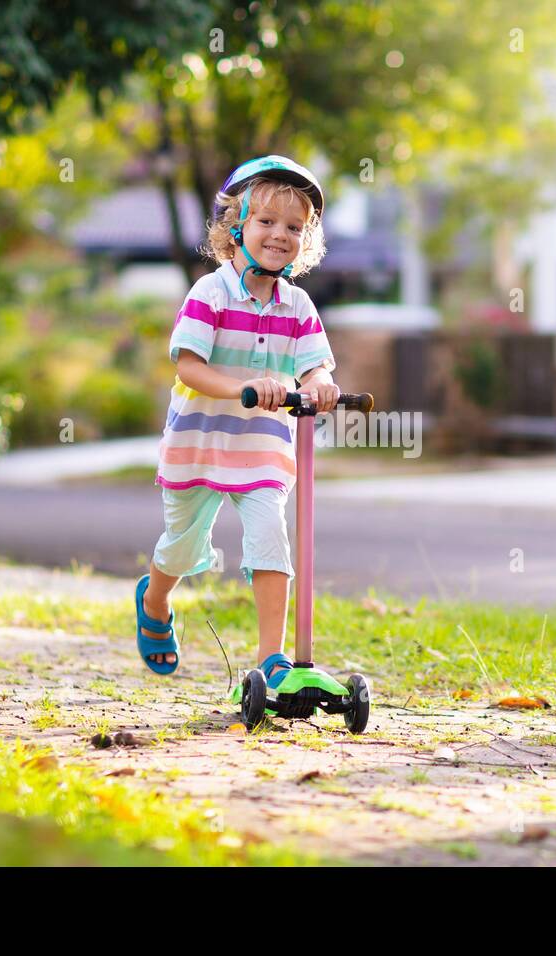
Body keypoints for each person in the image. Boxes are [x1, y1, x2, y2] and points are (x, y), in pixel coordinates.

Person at [134, 156, 339, 691]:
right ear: (236, 229)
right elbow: (188, 367)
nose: (280, 235)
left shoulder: (297, 305)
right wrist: (245, 389)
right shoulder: (211, 294)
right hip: (197, 444)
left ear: (307, 240)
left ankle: (273, 658)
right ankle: (155, 601)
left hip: (262, 448)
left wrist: (317, 382)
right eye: (267, 221)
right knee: (182, 546)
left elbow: (315, 360)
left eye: (295, 227)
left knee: (271, 537)